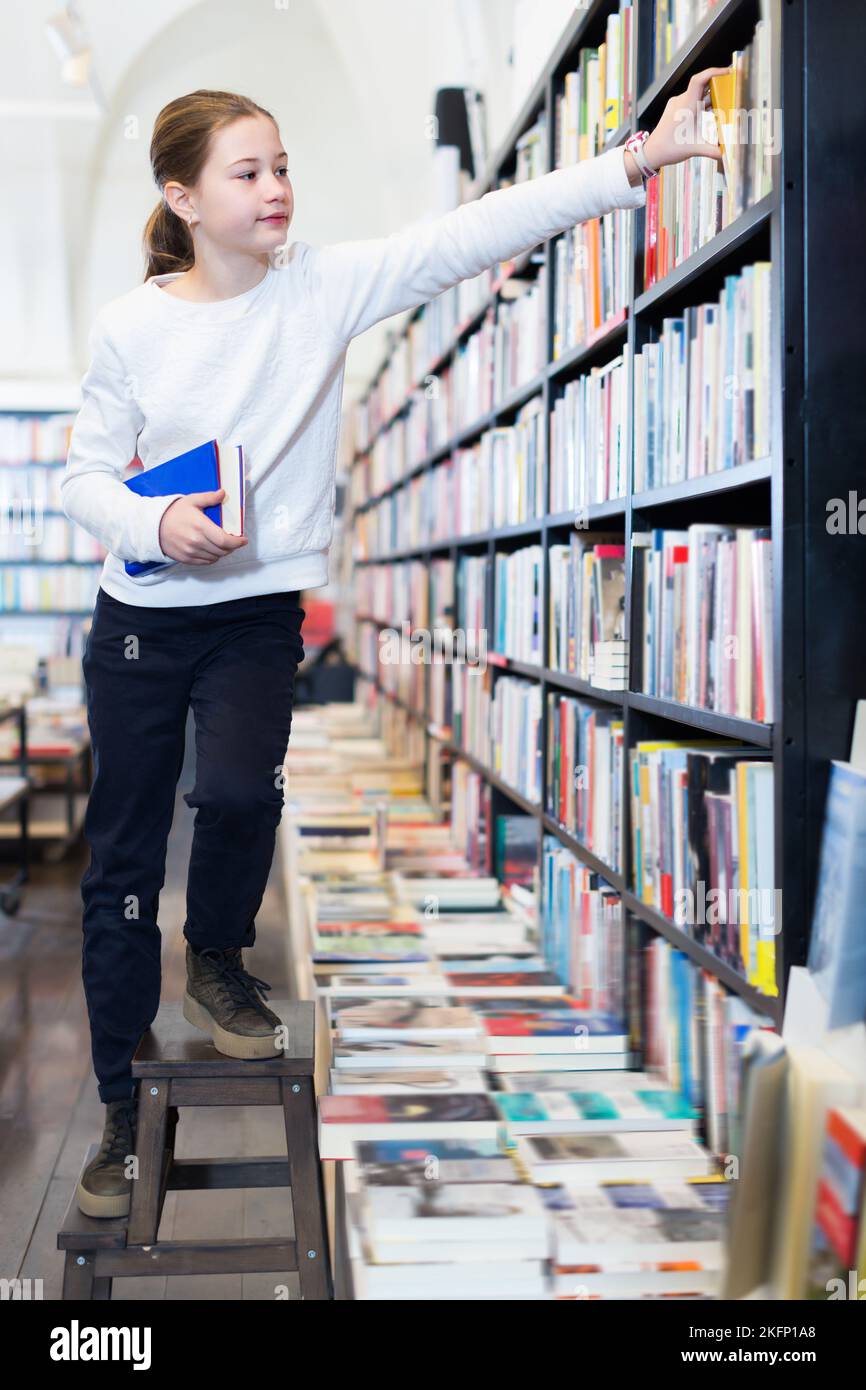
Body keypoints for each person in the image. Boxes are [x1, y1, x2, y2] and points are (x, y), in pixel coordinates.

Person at [62, 73, 724, 1218]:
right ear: (181, 197)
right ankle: (119, 1103)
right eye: (248, 172)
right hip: (142, 617)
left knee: (232, 794)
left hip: (257, 616)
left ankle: (218, 954)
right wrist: (152, 520)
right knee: (120, 864)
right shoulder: (132, 327)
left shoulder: (320, 285)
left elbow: (464, 235)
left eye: (281, 166)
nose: (276, 189)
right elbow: (81, 477)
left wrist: (628, 165)